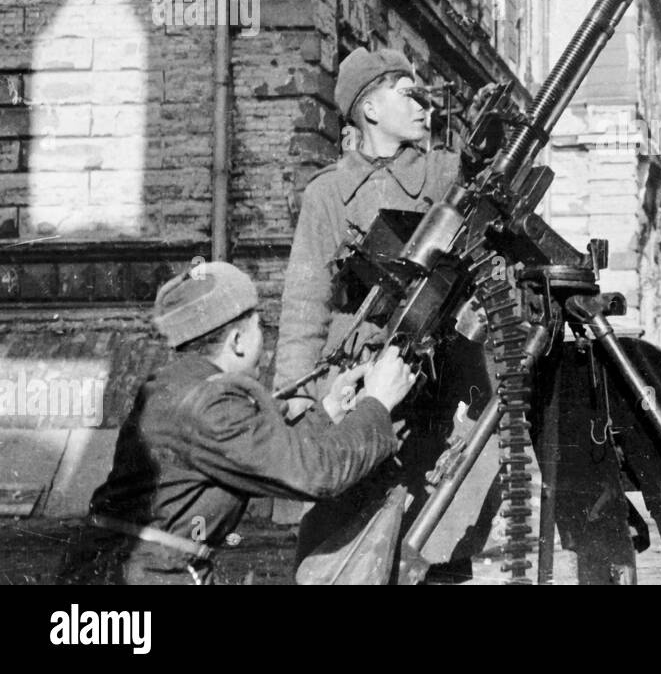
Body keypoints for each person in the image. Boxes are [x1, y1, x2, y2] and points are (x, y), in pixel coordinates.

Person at [274, 46, 497, 583]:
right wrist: (298, 396)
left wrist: (491, 140)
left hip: (444, 385)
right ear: (369, 108)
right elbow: (306, 298)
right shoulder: (327, 194)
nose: (425, 104)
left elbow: (498, 186)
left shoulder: (448, 172)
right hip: (359, 382)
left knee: (440, 534)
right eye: (408, 92)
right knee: (343, 530)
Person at [59, 261, 415, 585]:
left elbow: (261, 455)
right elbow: (317, 474)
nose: (263, 338)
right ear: (238, 341)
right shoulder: (211, 405)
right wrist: (378, 403)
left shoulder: (176, 384)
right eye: (260, 326)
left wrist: (328, 410)